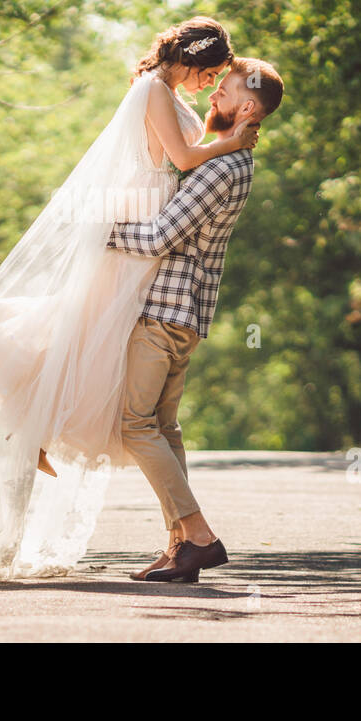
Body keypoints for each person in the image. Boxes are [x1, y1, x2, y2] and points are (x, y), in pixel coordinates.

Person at [0, 17, 258, 583]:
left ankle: (180, 536)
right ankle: (30, 415)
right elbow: (183, 160)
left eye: (219, 84)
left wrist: (221, 145)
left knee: (95, 349)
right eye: (210, 77)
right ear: (196, 62)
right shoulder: (155, 88)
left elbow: (184, 161)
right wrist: (229, 141)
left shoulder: (167, 94)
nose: (210, 88)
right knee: (66, 332)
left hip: (148, 245)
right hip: (133, 237)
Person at [107, 55, 285, 582]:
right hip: (184, 314)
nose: (212, 97)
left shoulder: (224, 167)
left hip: (167, 310)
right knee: (162, 427)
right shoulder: (226, 158)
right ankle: (178, 548)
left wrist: (101, 233)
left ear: (247, 106)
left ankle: (200, 536)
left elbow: (163, 236)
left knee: (133, 424)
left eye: (223, 92)